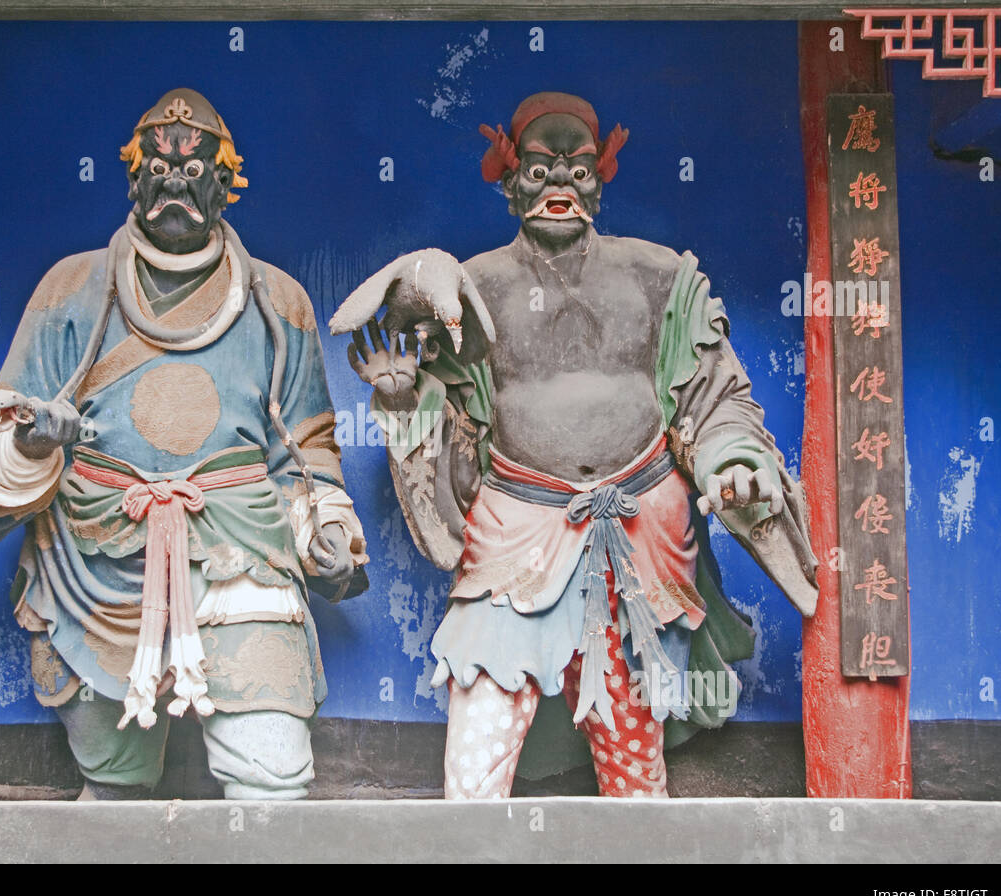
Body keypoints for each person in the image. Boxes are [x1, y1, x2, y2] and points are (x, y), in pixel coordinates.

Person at [331, 91, 817, 798]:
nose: (560, 184)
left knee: (630, 751)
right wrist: (404, 397)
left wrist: (734, 462)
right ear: (507, 180)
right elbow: (453, 421)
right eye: (538, 169)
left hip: (637, 534)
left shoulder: (660, 277)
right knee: (478, 736)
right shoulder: (473, 289)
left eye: (578, 169)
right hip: (516, 534)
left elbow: (713, 398)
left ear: (600, 178)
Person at [0, 88, 368, 800]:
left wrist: (331, 524)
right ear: (133, 177)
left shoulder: (277, 302)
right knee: (115, 783)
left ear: (226, 183)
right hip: (95, 556)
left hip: (238, 548)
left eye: (194, 169)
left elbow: (307, 450)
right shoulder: (71, 289)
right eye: (156, 166)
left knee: (273, 776)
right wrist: (34, 442)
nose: (173, 180)